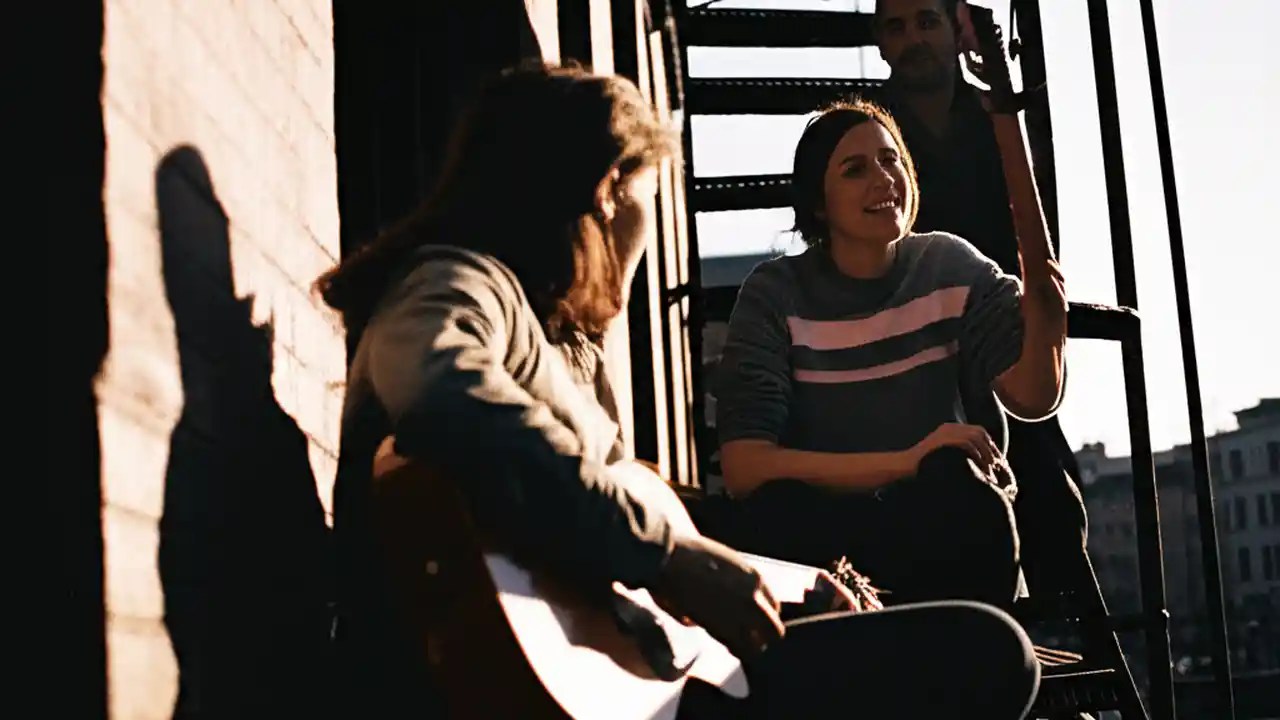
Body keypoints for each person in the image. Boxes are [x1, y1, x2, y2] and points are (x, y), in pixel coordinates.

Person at [316, 61, 1039, 718]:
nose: (643, 231)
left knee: (965, 647)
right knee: (981, 653)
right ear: (605, 195)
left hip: (631, 679)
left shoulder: (562, 345)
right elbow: (443, 396)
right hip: (514, 682)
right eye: (645, 202)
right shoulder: (458, 283)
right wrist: (669, 555)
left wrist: (789, 588)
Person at [715, 95, 1067, 612]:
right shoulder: (776, 293)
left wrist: (1048, 315)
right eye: (854, 170)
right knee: (771, 510)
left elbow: (1035, 398)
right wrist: (906, 461)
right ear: (819, 203)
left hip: (937, 532)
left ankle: (973, 644)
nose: (883, 179)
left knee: (962, 486)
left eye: (890, 159)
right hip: (830, 546)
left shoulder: (949, 265)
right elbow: (746, 468)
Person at [867, 0, 1091, 598]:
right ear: (880, 44)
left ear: (953, 29)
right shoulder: (869, 131)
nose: (912, 37)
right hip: (908, 344)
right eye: (895, 26)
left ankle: (1058, 644)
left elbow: (1032, 236)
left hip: (994, 329)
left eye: (927, 21)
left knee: (1051, 493)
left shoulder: (996, 116)